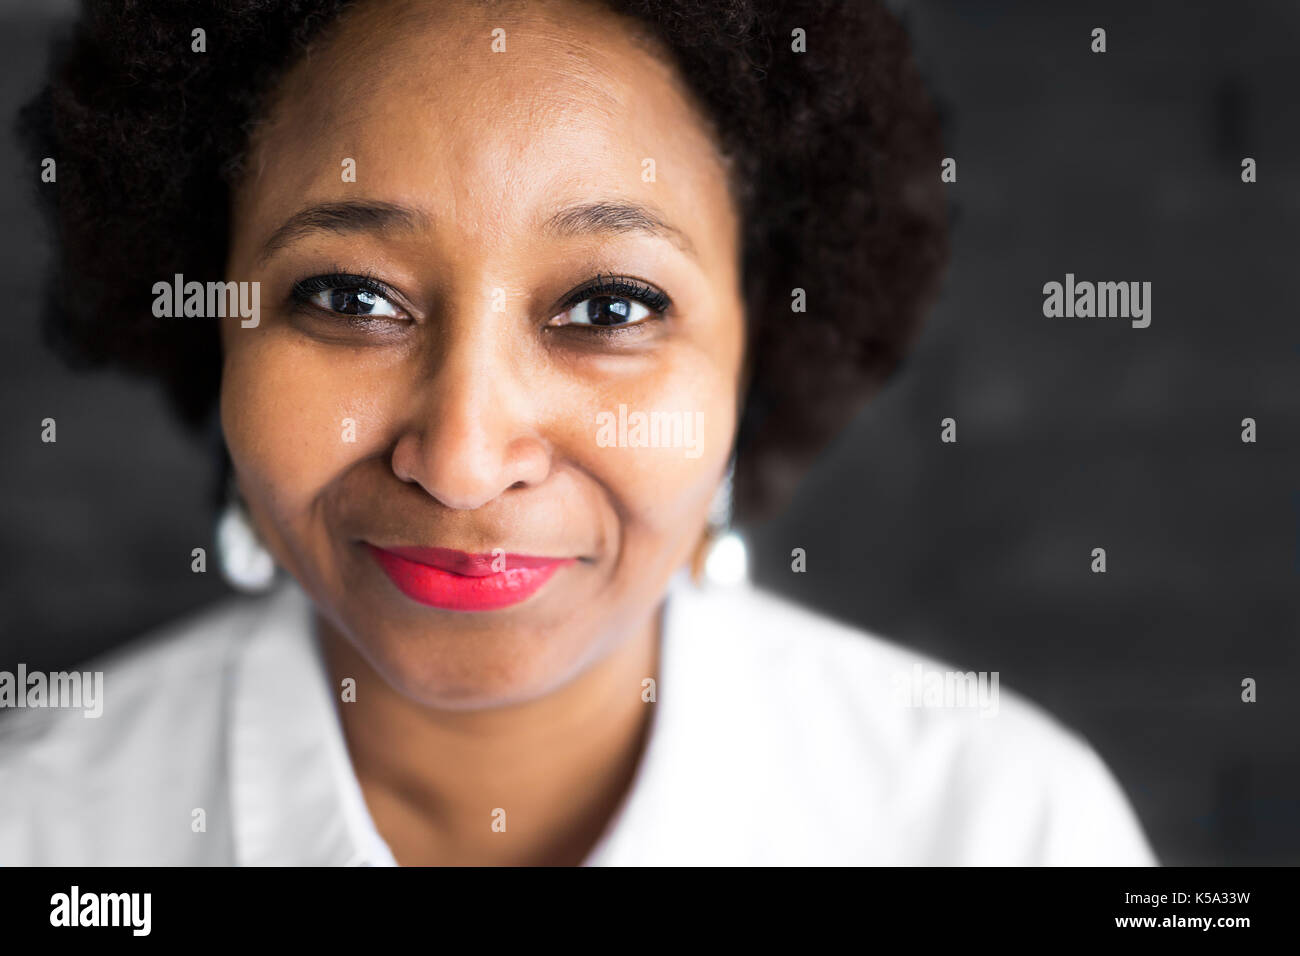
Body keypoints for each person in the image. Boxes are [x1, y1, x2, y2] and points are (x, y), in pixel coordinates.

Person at [0, 0, 1155, 865]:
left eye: (609, 306)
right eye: (349, 296)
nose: (461, 457)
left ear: (759, 344)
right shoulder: (44, 827)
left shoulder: (1000, 828)